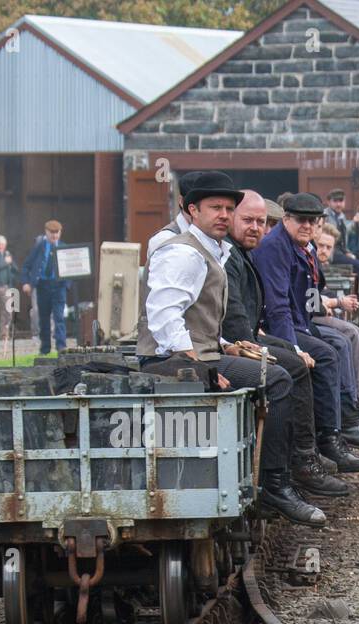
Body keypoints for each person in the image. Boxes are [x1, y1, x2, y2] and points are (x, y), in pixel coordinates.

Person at [137, 171, 325, 528]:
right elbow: (164, 317)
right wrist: (197, 364)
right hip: (168, 361)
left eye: (228, 208)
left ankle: (280, 471)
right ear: (193, 210)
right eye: (215, 208)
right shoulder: (182, 252)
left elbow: (200, 319)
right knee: (278, 379)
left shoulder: (213, 251)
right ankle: (275, 484)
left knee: (273, 367)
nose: (223, 215)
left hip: (201, 353)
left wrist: (226, 346)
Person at [225, 191, 349, 498]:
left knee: (329, 348)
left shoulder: (246, 252)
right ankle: (281, 474)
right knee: (287, 371)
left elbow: (299, 301)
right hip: (231, 344)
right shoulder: (252, 252)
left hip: (257, 334)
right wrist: (286, 347)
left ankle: (318, 445)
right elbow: (270, 308)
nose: (257, 227)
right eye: (248, 220)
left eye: (261, 221)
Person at [251, 192, 359, 472]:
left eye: (312, 220)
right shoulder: (276, 247)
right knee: (325, 355)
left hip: (300, 322)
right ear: (287, 219)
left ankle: (342, 424)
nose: (307, 225)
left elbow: (308, 295)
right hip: (278, 327)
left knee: (336, 344)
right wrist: (294, 348)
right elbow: (277, 305)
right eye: (301, 220)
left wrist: (312, 321)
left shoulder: (301, 247)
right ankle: (323, 439)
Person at [314, 224, 359, 431]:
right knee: (349, 334)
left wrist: (331, 302)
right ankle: (353, 409)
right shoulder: (305, 257)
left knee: (351, 332)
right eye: (321, 245)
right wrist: (334, 303)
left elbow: (315, 293)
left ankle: (358, 402)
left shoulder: (312, 260)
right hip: (303, 320)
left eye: (329, 248)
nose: (324, 251)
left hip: (312, 313)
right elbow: (308, 297)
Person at [22, 220, 72, 355]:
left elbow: (71, 268)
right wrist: (26, 282)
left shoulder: (64, 248)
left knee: (59, 317)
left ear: (60, 233)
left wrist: (67, 285)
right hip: (43, 286)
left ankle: (61, 347)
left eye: (57, 233)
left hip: (58, 287)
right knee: (43, 318)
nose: (54, 236)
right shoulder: (39, 247)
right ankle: (45, 348)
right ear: (46, 232)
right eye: (52, 233)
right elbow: (27, 265)